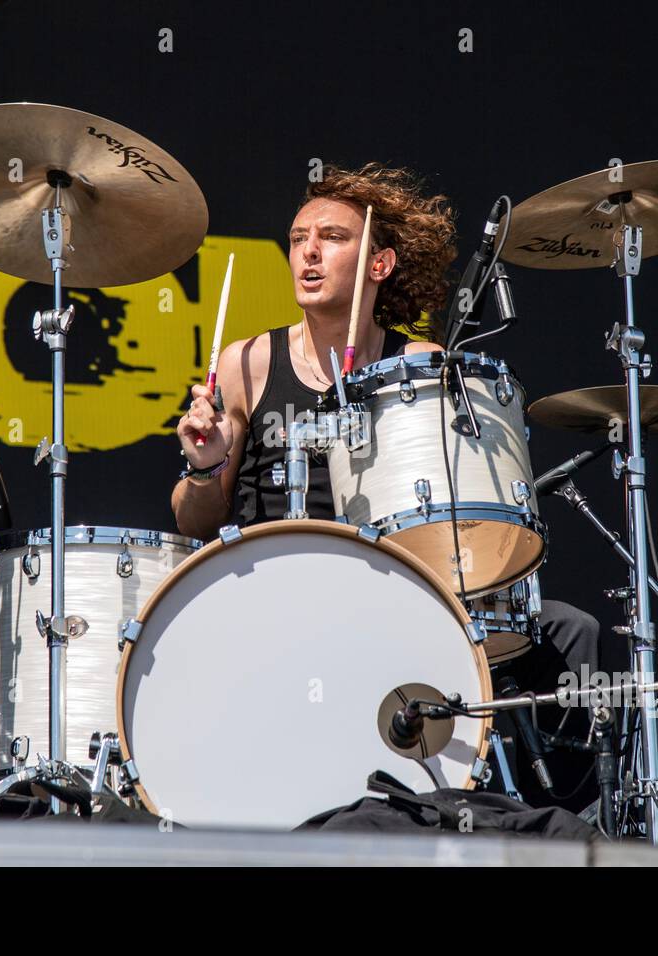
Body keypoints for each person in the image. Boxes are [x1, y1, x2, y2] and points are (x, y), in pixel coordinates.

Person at [171, 163, 599, 807]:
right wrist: (204, 465)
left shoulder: (418, 364)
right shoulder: (247, 362)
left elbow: (455, 516)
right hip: (271, 601)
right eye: (297, 238)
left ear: (379, 264)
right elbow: (194, 522)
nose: (308, 252)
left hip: (389, 595)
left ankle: (564, 832)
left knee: (570, 629)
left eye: (333, 237)